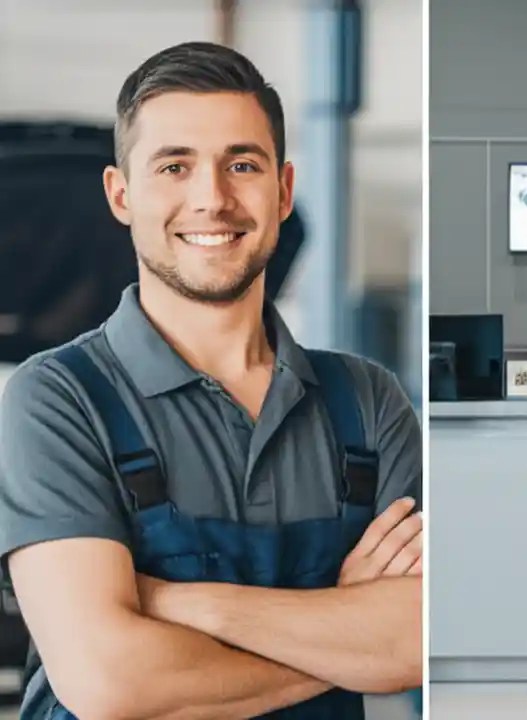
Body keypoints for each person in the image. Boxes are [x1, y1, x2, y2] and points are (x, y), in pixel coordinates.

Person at [0, 42, 422, 719]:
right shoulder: (58, 398)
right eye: (175, 165)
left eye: (242, 164)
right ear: (121, 194)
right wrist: (342, 631)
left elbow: (412, 643)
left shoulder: (369, 406)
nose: (213, 198)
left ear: (283, 191)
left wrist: (173, 601)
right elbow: (111, 683)